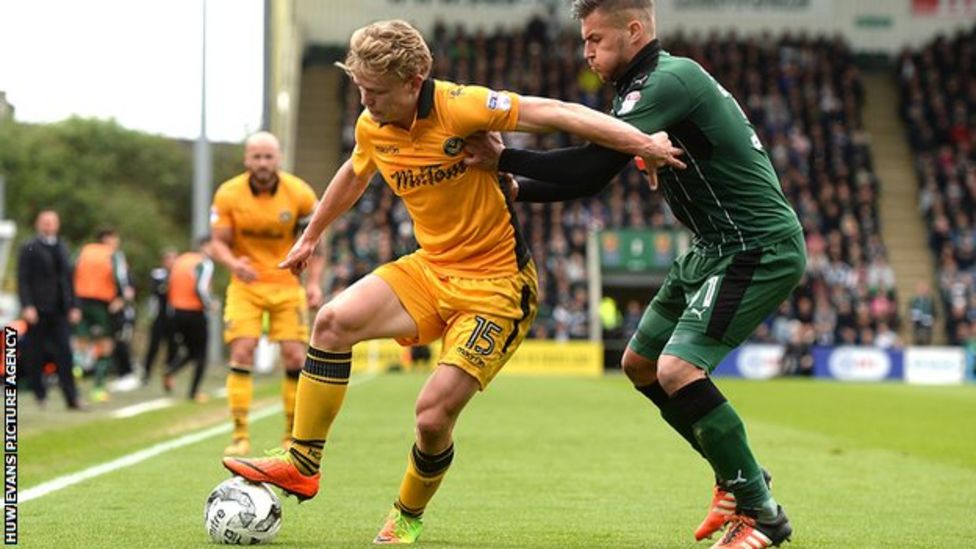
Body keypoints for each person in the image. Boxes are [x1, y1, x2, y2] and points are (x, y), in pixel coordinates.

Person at [222, 19, 684, 545]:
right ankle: (302, 462)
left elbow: (560, 113)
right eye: (360, 89)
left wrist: (641, 142)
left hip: (496, 285)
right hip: (431, 267)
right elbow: (354, 174)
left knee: (431, 417)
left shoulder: (462, 107)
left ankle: (406, 515)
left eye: (375, 90)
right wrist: (312, 236)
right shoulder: (372, 125)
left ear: (414, 80)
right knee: (331, 322)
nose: (366, 101)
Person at [464, 1, 802, 547]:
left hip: (754, 246)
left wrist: (506, 159)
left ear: (635, 30)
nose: (586, 52)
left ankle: (763, 515)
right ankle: (740, 478)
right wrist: (519, 188)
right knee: (641, 364)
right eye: (584, 41)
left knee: (677, 369)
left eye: (595, 39)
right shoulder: (635, 95)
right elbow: (594, 179)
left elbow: (592, 166)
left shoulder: (670, 80)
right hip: (711, 247)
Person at [209, 131, 325, 456]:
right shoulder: (228, 194)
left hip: (287, 285)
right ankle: (239, 433)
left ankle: (291, 434)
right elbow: (217, 242)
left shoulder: (299, 193)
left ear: (278, 159)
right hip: (246, 285)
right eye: (257, 157)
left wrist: (314, 283)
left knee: (294, 355)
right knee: (242, 350)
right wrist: (234, 262)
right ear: (247, 159)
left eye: (268, 157)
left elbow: (318, 243)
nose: (262, 163)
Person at [16, 210, 83, 410]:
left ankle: (71, 397)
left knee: (65, 353)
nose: (48, 225)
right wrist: (27, 305)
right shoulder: (29, 247)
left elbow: (69, 280)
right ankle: (39, 393)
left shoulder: (62, 247)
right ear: (38, 224)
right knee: (35, 353)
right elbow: (23, 279)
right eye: (45, 222)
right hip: (37, 309)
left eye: (52, 222)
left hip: (59, 309)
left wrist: (74, 305)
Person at [74, 228, 132, 403]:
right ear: (108, 239)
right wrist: (122, 297)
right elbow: (121, 278)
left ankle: (76, 371)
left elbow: (69, 272)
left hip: (80, 301)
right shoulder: (113, 254)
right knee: (105, 344)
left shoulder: (82, 251)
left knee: (81, 341)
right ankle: (98, 388)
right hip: (102, 303)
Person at [163, 236, 215, 402]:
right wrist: (210, 304)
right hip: (194, 311)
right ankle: (194, 392)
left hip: (176, 312)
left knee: (190, 351)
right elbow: (200, 287)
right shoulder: (205, 263)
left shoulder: (181, 260)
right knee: (201, 354)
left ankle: (170, 370)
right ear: (205, 246)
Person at [143, 248, 178, 385]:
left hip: (174, 317)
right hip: (160, 316)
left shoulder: (179, 274)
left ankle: (168, 375)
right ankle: (146, 373)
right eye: (169, 259)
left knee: (173, 347)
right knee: (154, 346)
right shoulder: (158, 274)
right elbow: (158, 291)